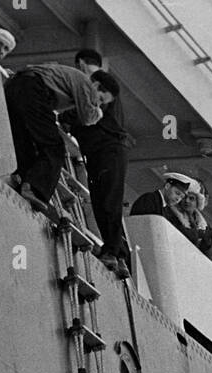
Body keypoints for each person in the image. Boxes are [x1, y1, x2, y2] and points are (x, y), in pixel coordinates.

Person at [4, 62, 111, 205]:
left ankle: (23, 180)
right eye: (101, 99)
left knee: (25, 142)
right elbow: (88, 117)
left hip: (17, 86)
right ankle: (34, 189)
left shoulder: (69, 77)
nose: (98, 103)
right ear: (96, 86)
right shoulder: (85, 83)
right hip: (35, 91)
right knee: (54, 147)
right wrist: (98, 113)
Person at [71, 69, 132, 275]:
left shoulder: (91, 102)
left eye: (103, 100)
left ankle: (114, 253)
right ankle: (118, 254)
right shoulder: (91, 96)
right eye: (101, 98)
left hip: (108, 153)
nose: (99, 103)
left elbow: (81, 116)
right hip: (104, 154)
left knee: (107, 202)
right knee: (103, 202)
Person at [129, 172, 197, 241]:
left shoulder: (165, 209)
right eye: (177, 193)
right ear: (167, 186)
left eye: (181, 197)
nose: (178, 199)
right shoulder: (149, 199)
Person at [177, 181, 212, 258]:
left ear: (197, 202)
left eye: (191, 198)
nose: (187, 201)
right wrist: (199, 233)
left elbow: (209, 255)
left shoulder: (204, 225)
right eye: (184, 197)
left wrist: (207, 242)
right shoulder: (173, 214)